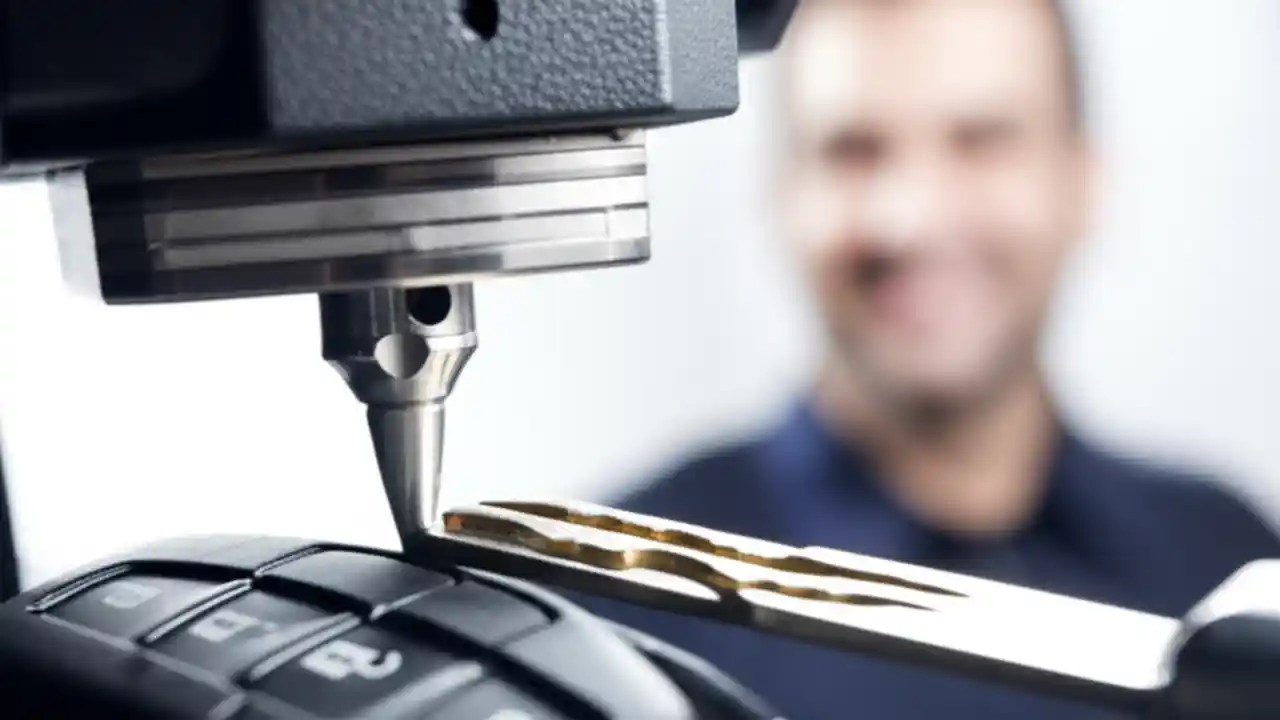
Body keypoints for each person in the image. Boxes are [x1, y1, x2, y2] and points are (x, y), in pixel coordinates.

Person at [586, 0, 1280, 717]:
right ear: (783, 191)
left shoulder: (1225, 569)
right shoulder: (618, 606)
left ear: (1082, 180)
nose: (912, 217)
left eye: (981, 141)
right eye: (855, 150)